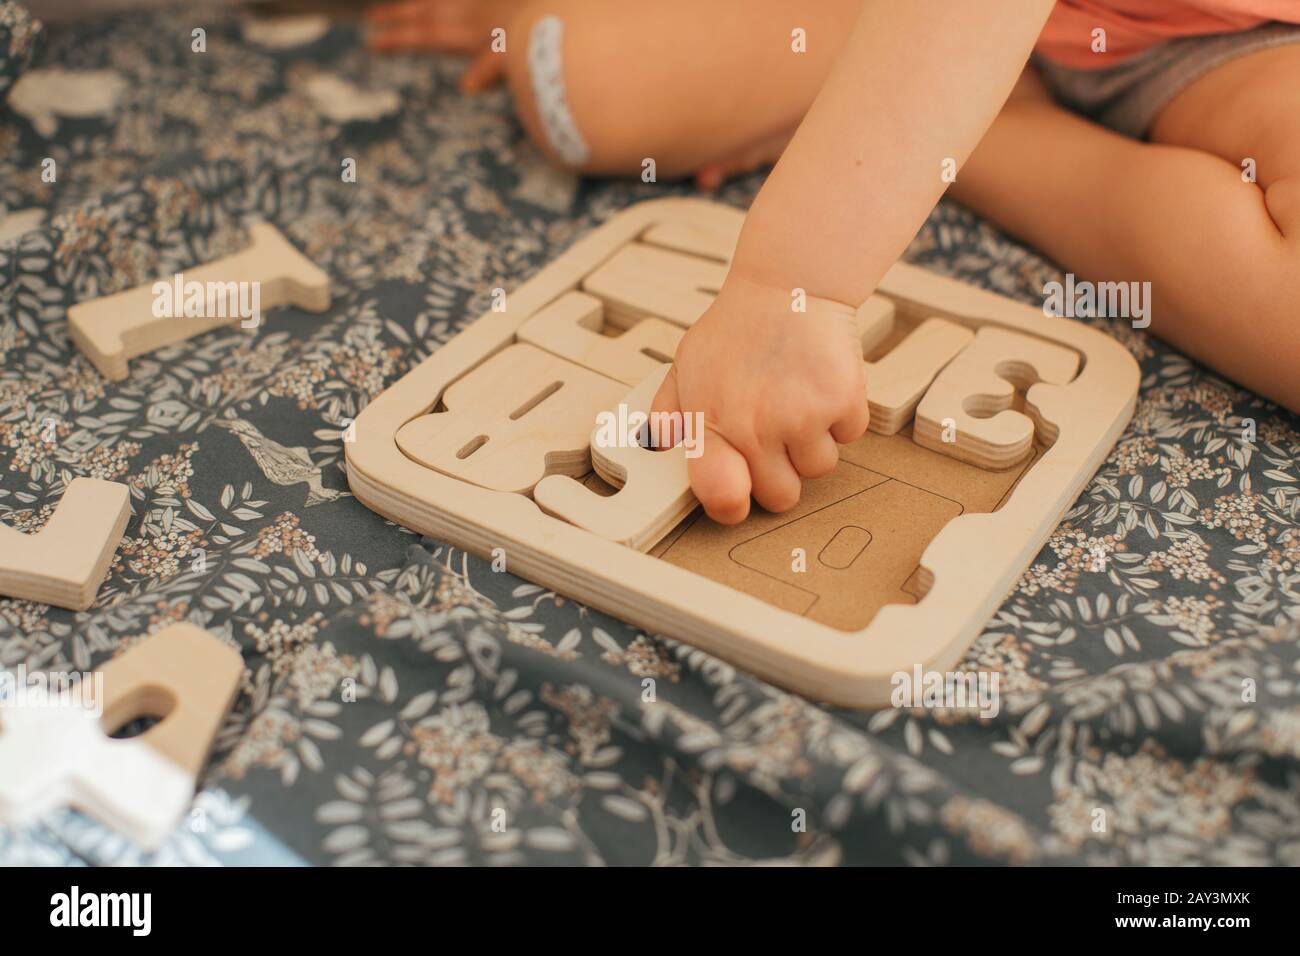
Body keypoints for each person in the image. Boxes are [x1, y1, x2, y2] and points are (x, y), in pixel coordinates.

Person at [368, 0, 1300, 523]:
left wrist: (790, 284)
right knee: (576, 79)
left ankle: (976, 125)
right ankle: (931, 103)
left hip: (1232, 33)